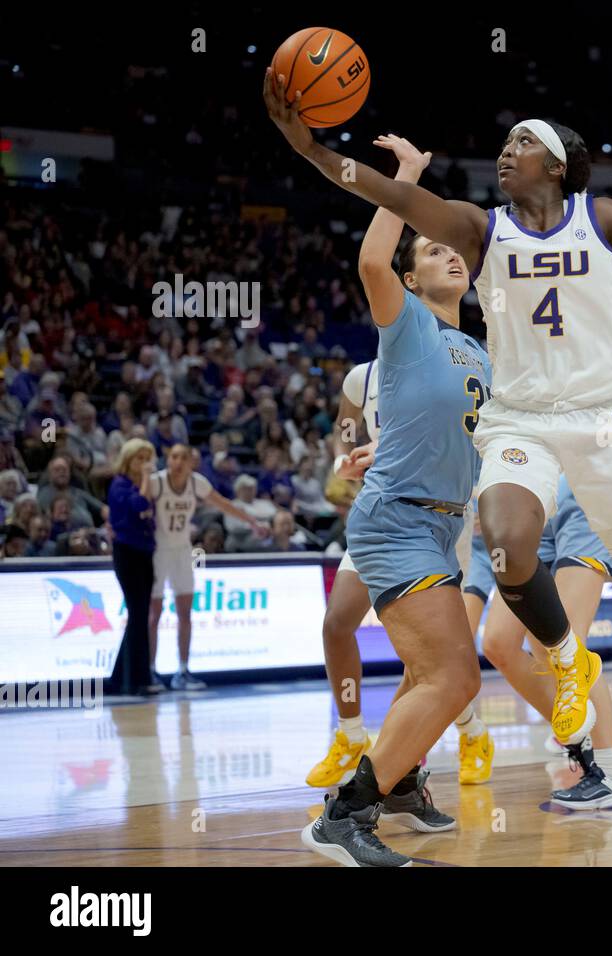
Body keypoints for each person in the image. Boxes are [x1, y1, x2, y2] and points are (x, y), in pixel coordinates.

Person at [265, 81, 612, 830]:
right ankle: (565, 660)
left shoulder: (603, 216)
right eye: (504, 145)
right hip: (520, 421)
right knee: (507, 541)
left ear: (557, 166)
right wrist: (312, 150)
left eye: (523, 144)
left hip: (601, 422)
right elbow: (385, 191)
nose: (506, 155)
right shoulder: (479, 229)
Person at [293, 132, 492, 866]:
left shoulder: (481, 352)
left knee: (425, 674)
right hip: (396, 521)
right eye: (434, 251)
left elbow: (473, 435)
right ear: (411, 282)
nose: (451, 253)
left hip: (445, 526)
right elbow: (373, 259)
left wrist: (399, 439)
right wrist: (405, 177)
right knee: (455, 675)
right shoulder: (405, 325)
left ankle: (400, 780)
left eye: (454, 249)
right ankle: (345, 815)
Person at [473, 477, 612, 809]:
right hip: (530, 497)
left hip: (581, 493)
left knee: (569, 641)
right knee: (499, 643)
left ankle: (610, 775)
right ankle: (579, 736)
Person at [146, 443, 267, 690]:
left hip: (183, 552)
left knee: (185, 614)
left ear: (192, 463)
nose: (177, 462)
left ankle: (182, 670)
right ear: (168, 459)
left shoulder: (196, 482)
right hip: (157, 552)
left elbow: (223, 503)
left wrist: (252, 521)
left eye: (183, 458)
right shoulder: (155, 482)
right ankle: (149, 671)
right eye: (173, 457)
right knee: (154, 615)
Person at [106, 438, 158, 696]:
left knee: (140, 617)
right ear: (128, 460)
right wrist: (147, 481)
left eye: (148, 459)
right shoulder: (120, 485)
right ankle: (133, 680)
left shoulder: (143, 484)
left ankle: (126, 678)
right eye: (140, 458)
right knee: (137, 616)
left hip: (146, 553)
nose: (145, 464)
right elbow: (139, 506)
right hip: (127, 554)